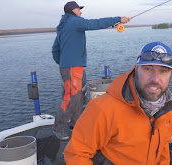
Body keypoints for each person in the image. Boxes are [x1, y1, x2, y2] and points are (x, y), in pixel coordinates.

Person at [64, 41, 172, 164]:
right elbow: (76, 155)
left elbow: (162, 149)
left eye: (163, 71)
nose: (155, 79)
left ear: (170, 74)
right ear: (136, 69)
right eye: (147, 69)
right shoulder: (103, 108)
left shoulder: (166, 108)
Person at [52, 1, 130, 140]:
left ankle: (75, 124)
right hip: (72, 67)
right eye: (78, 10)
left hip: (73, 66)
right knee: (71, 98)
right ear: (72, 11)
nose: (80, 12)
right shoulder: (74, 22)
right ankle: (58, 128)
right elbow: (96, 23)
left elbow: (55, 49)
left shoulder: (62, 26)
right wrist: (119, 19)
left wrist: (63, 62)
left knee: (81, 96)